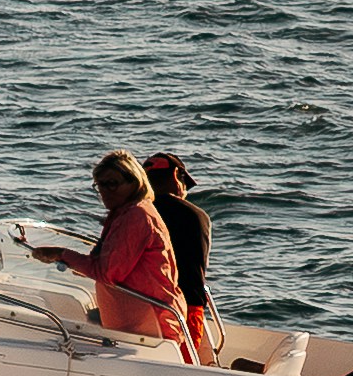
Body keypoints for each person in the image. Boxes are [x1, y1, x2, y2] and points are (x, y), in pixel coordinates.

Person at [40, 153, 187, 351]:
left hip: (150, 329)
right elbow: (104, 261)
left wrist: (62, 254)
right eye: (99, 185)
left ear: (134, 182)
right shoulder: (127, 212)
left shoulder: (136, 216)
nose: (105, 191)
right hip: (141, 323)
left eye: (112, 184)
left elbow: (107, 273)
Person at [142, 152, 220, 362]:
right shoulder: (197, 216)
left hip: (142, 308)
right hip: (186, 311)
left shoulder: (134, 214)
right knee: (181, 369)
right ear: (177, 175)